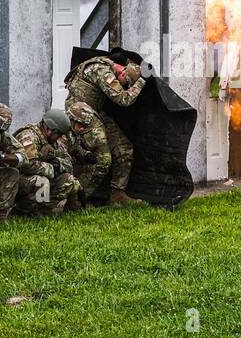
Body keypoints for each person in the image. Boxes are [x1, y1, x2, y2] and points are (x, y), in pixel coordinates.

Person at [64, 54, 145, 206]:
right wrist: (141, 81)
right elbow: (124, 99)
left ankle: (117, 194)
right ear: (122, 72)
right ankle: (76, 199)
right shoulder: (102, 71)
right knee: (103, 159)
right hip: (80, 114)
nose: (124, 86)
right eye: (125, 83)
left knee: (124, 148)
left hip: (95, 112)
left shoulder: (108, 67)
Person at [12, 108, 84, 216]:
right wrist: (52, 168)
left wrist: (59, 164)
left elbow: (68, 161)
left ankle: (43, 211)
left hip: (36, 178)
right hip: (18, 179)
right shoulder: (29, 137)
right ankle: (21, 211)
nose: (59, 138)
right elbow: (28, 165)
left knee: (69, 180)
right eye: (58, 134)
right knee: (42, 181)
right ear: (48, 128)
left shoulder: (52, 140)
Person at [65, 102, 111, 203]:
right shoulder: (61, 134)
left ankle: (76, 198)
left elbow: (75, 147)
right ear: (71, 119)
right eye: (80, 124)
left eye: (85, 126)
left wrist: (85, 154)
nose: (82, 128)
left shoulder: (74, 133)